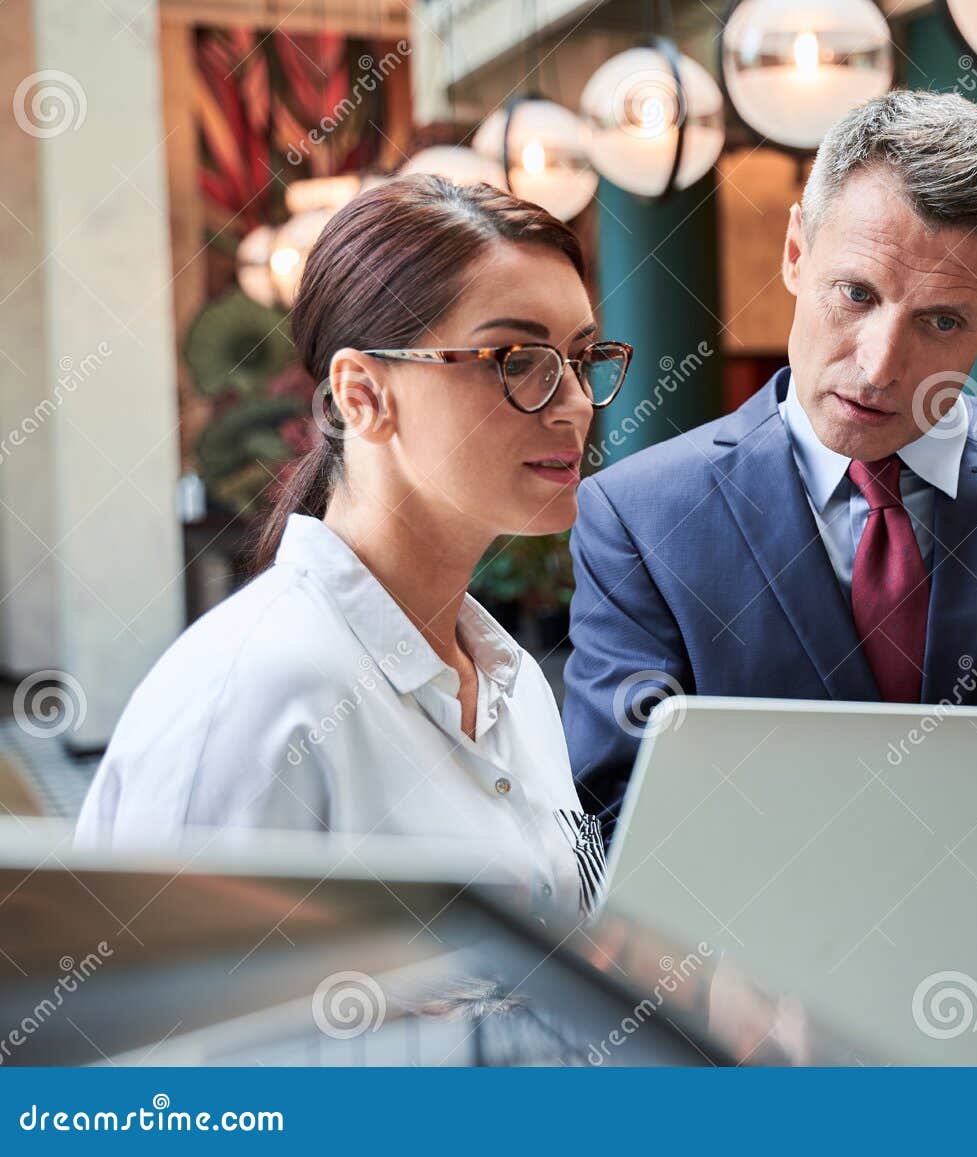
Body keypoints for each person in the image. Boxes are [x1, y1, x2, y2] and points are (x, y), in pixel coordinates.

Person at [562, 90, 977, 1062]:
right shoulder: (641, 514)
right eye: (855, 293)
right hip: (778, 1055)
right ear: (794, 252)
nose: (879, 365)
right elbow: (617, 838)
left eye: (941, 320)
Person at [75, 175, 628, 916]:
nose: (573, 404)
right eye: (516, 358)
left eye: (581, 357)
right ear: (362, 393)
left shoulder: (514, 685)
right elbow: (158, 1019)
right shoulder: (256, 695)